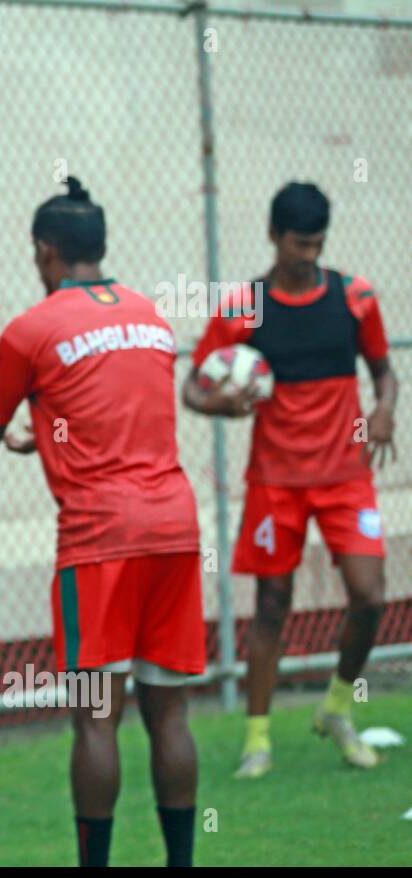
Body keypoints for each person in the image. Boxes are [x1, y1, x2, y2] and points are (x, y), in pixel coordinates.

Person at [0, 179, 204, 866]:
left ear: (45, 251)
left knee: (97, 715)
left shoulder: (32, 329)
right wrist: (55, 432)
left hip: (102, 537)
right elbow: (124, 411)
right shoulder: (151, 316)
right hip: (176, 527)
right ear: (101, 247)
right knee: (170, 711)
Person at [185, 182, 396, 779]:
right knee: (273, 606)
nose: (309, 255)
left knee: (371, 595)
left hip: (347, 479)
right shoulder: (243, 307)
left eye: (318, 244)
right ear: (274, 236)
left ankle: (335, 709)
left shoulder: (355, 297)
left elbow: (383, 372)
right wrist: (217, 404)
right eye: (299, 243)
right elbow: (193, 386)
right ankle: (258, 741)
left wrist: (383, 410)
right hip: (275, 483)